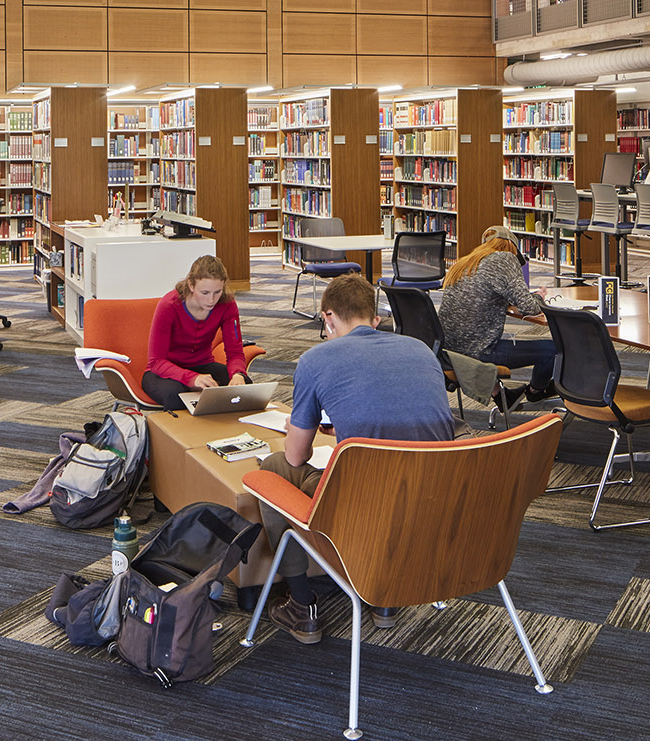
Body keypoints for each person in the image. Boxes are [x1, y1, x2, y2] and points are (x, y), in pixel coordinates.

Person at [262, 272, 454, 644]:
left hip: (362, 507)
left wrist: (301, 426)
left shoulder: (316, 359)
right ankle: (383, 599)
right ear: (375, 320)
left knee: (273, 472)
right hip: (434, 497)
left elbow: (296, 454)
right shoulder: (420, 350)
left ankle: (301, 605)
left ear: (328, 317)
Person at [439, 224, 553, 403]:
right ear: (512, 247)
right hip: (478, 352)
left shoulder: (466, 262)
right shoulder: (505, 258)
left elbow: (480, 295)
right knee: (552, 350)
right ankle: (536, 391)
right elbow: (529, 308)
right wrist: (538, 297)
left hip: (448, 352)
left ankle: (502, 397)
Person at [140, 255, 249, 412]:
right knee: (175, 394)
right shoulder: (169, 305)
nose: (211, 300)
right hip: (164, 372)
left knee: (244, 387)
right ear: (191, 285)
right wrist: (192, 378)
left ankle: (233, 433)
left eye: (217, 292)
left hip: (202, 366)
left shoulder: (227, 305)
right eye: (204, 292)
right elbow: (156, 362)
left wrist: (238, 374)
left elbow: (235, 353)